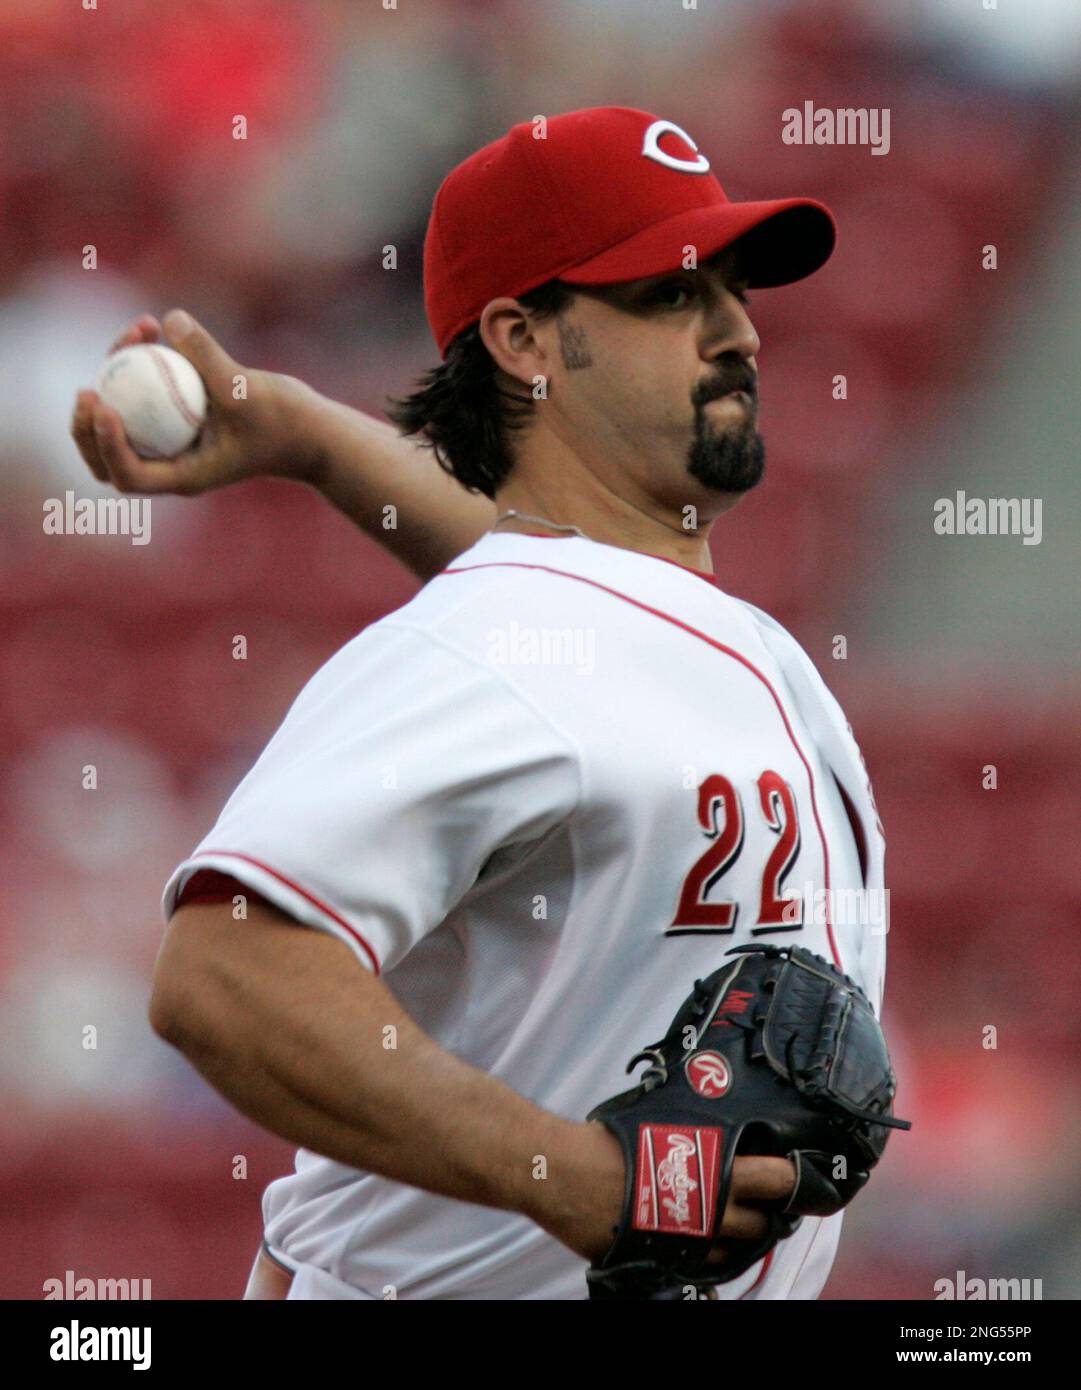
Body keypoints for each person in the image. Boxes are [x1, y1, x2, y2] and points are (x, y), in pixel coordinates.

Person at [71, 106, 888, 1301]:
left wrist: (313, 439)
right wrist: (580, 1178)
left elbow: (569, 628)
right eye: (670, 295)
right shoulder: (478, 650)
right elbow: (221, 978)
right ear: (523, 337)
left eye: (738, 289)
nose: (737, 332)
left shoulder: (633, 634)